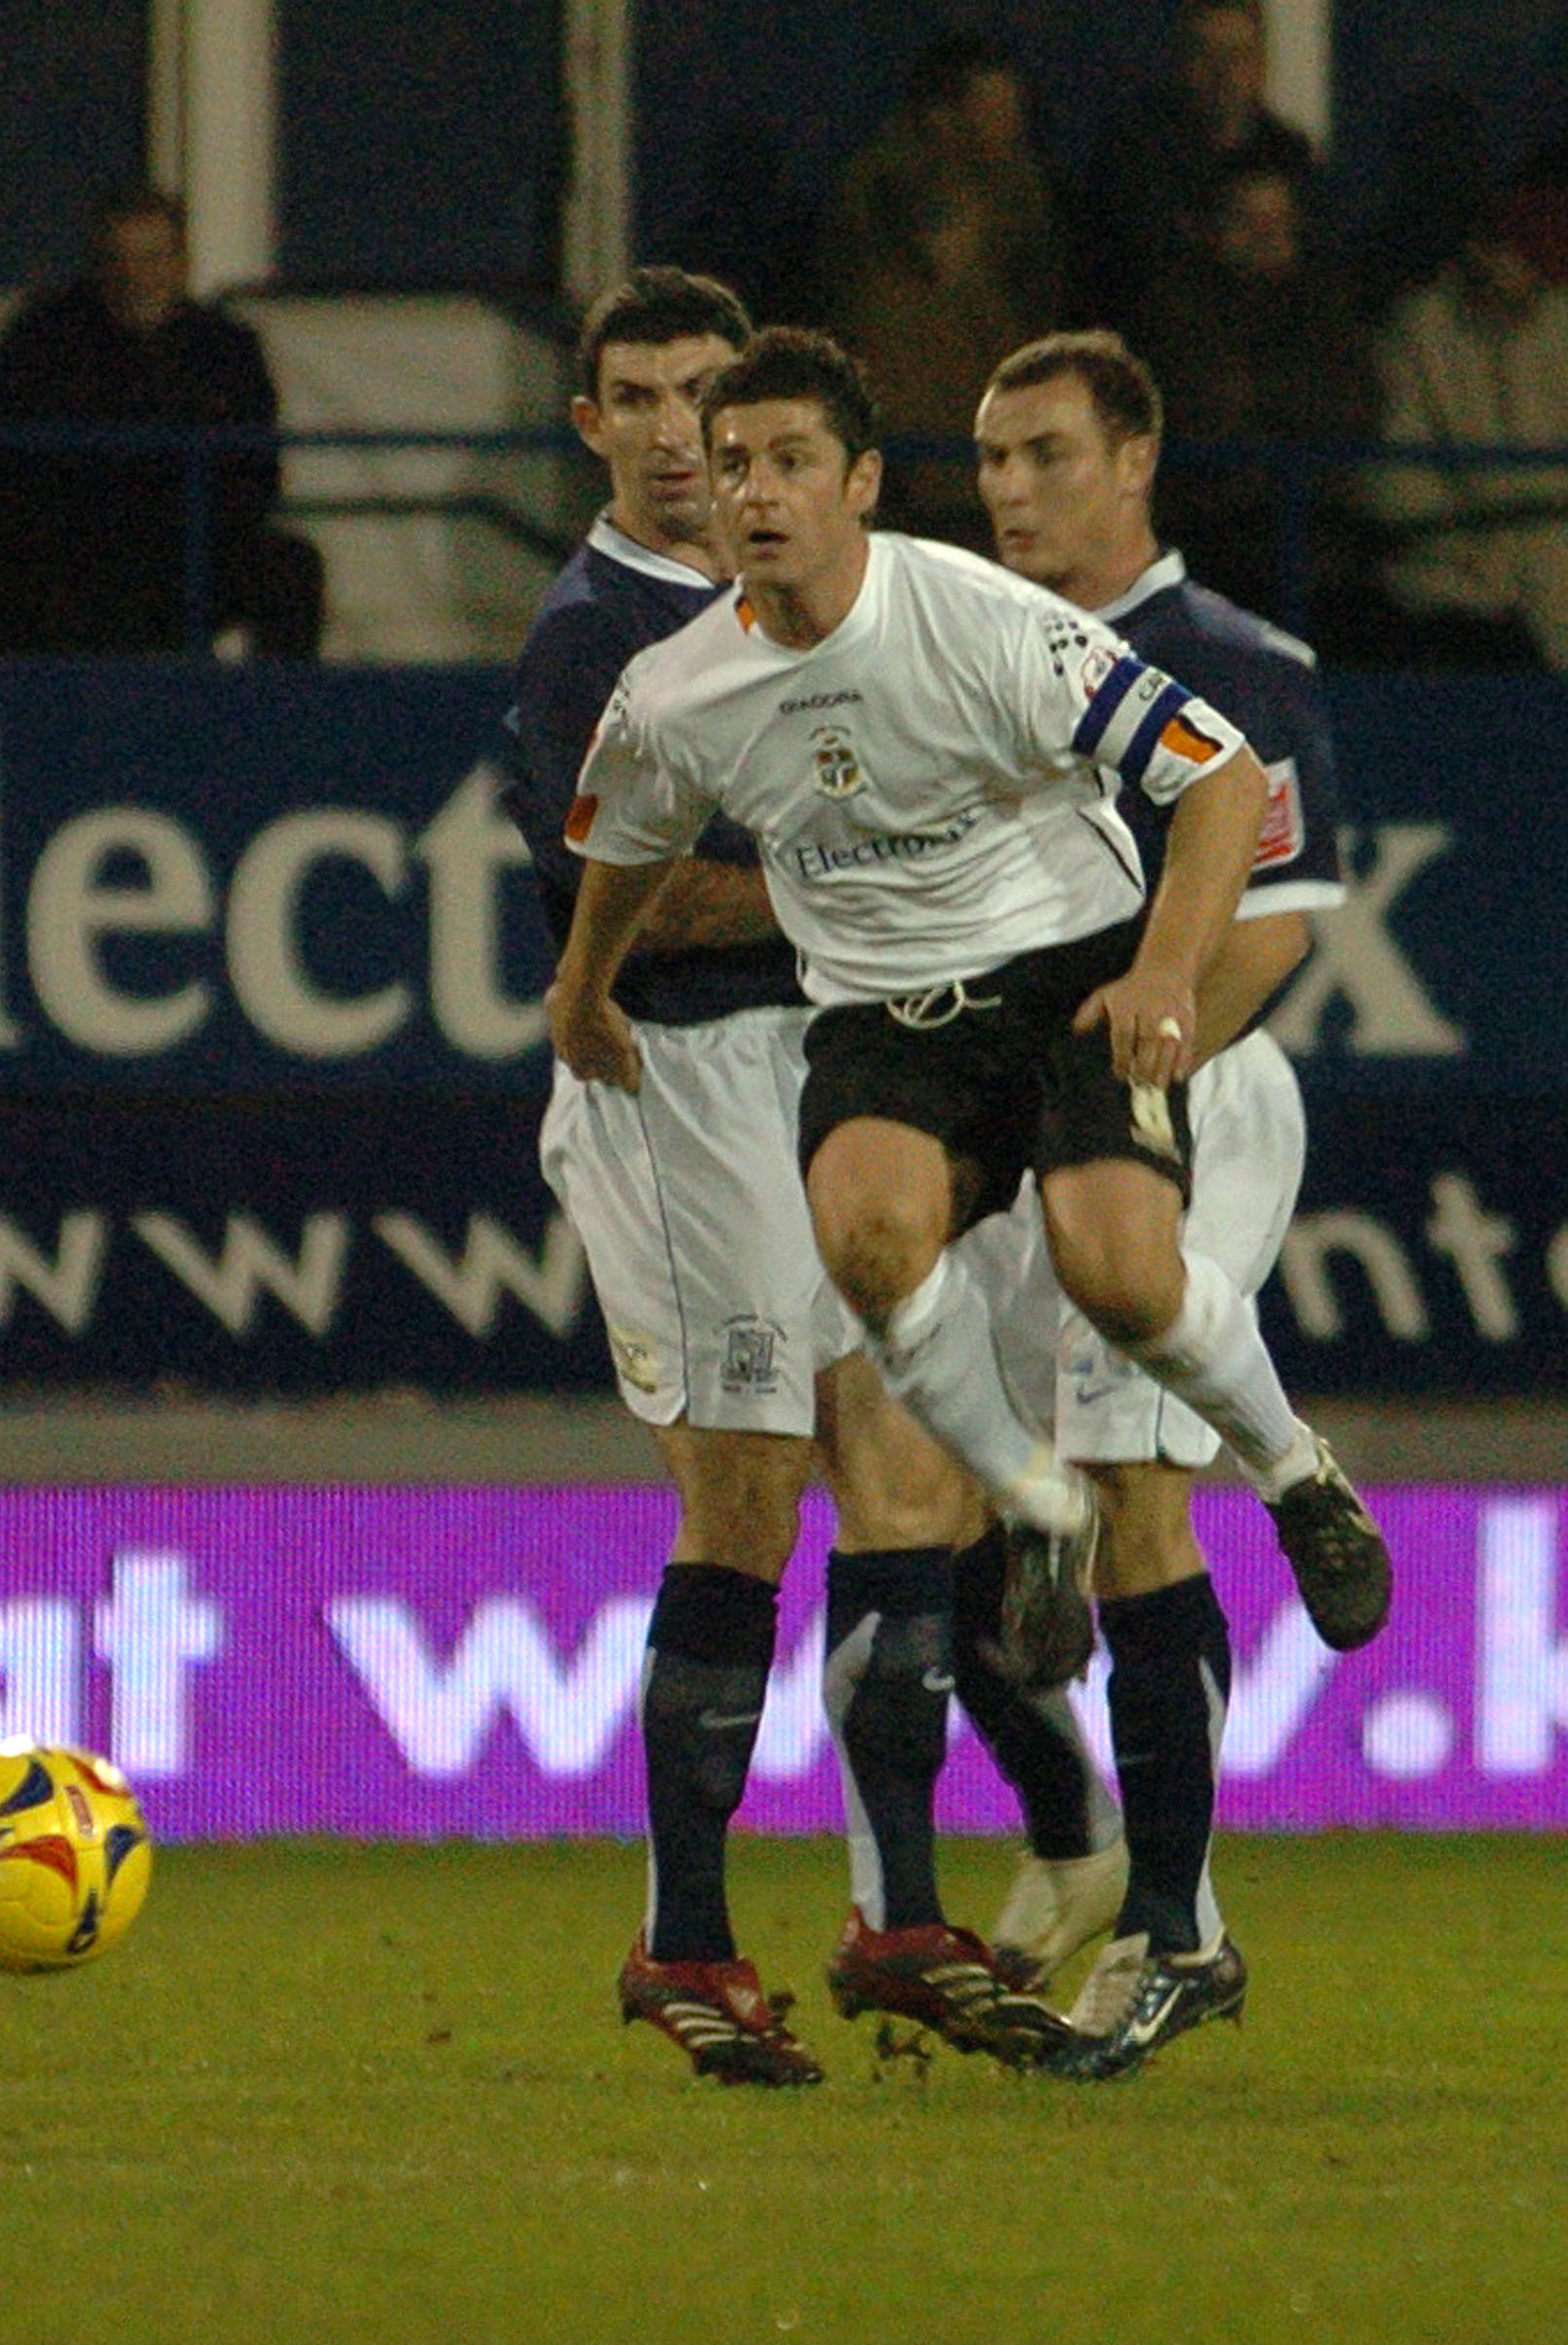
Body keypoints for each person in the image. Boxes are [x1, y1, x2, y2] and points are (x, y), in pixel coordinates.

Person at [547, 329, 1390, 1877]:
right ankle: (1028, 1512)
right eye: (732, 466)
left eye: (789, 460)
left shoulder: (985, 620)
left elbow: (1212, 784)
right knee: (868, 1251)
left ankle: (1294, 1473)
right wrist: (579, 984)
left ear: (860, 485)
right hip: (882, 1014)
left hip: (1060, 974)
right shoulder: (677, 684)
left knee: (1122, 1279)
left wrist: (1159, 982)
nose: (752, 491)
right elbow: (623, 833)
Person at [499, 268, 1071, 2088]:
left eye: (715, 408)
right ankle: (679, 1942)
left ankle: (895, 1916)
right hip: (674, 1077)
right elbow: (644, 900)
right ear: (592, 428)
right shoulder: (600, 637)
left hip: (822, 1072)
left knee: (906, 1480)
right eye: (647, 404)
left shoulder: (832, 608)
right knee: (748, 1496)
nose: (685, 440)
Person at [964, 326, 1361, 2074]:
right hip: (1018, 1118)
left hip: (1182, 1098)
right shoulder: (962, 651)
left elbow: (1278, 918)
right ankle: (1095, 1860)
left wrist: (1156, 1038)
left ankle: (1172, 1927)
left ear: (1135, 457)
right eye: (989, 461)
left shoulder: (1232, 666)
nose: (1013, 491)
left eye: (1047, 454)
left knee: (1133, 1492)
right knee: (989, 1510)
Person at [0, 186, 323, 658]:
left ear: (181, 263)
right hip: (76, 549)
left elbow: (257, 468)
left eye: (151, 259)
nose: (135, 277)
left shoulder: (226, 347)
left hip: (191, 545)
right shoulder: (43, 338)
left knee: (291, 568)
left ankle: (279, 719)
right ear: (97, 264)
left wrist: (197, 526)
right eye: (119, 260)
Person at [817, 31, 1069, 550]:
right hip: (914, 470)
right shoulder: (883, 200)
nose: (1010, 125)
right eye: (992, 109)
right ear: (943, 114)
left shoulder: (1025, 203)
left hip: (987, 463)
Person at [1126, 157, 1377, 637]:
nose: (1266, 235)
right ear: (1214, 226)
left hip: (1315, 546)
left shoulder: (1326, 307)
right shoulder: (1175, 308)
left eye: (1278, 221)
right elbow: (1192, 408)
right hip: (1205, 542)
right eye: (1247, 220)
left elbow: (1351, 405)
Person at [1364, 186, 1568, 671]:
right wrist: (1460, 558)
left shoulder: (1559, 325)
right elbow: (1398, 480)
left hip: (1554, 558)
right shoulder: (1421, 329)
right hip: (1459, 569)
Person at [1078, 0, 1323, 335]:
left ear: (1260, 64)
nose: (1222, 73)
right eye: (1205, 54)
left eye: (1236, 56)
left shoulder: (1290, 158)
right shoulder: (1137, 157)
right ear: (1181, 63)